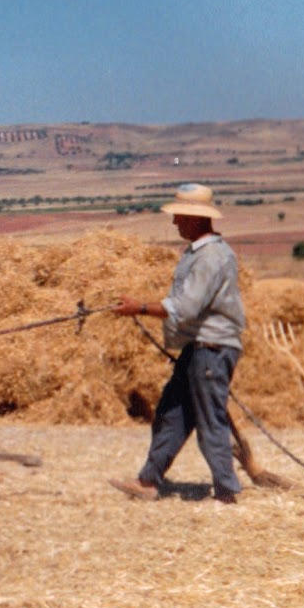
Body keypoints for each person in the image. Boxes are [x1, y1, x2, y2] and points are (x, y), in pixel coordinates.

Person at [108, 183, 245, 504]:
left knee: (210, 423)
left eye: (180, 217)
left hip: (211, 349)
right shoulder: (199, 252)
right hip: (197, 348)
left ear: (196, 219)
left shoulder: (211, 257)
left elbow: (186, 308)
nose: (174, 222)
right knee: (171, 414)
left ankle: (227, 492)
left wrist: (140, 308)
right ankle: (148, 481)